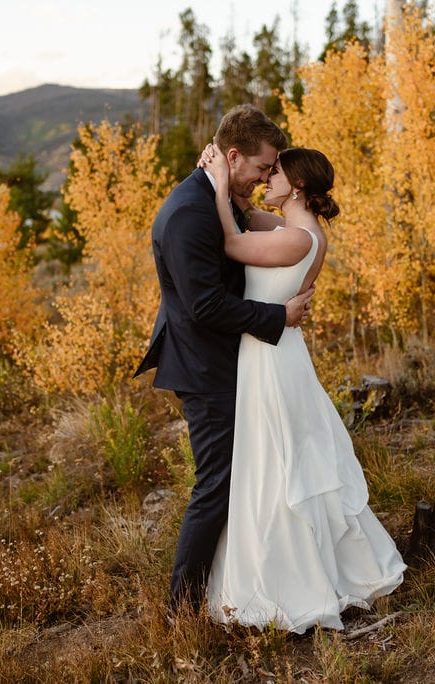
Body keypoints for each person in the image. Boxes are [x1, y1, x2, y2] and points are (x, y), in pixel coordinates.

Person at [200, 143, 406, 633]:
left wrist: (218, 184)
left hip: (272, 361)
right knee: (273, 461)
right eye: (267, 170)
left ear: (299, 184)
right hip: (271, 352)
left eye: (276, 172)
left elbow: (232, 242)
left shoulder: (300, 239)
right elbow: (249, 218)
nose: (268, 177)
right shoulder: (295, 228)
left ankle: (292, 582)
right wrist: (233, 186)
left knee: (278, 465)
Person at [133, 105, 314, 613]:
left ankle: (234, 585)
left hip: (225, 360)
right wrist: (278, 317)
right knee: (215, 484)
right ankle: (182, 609)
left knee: (236, 477)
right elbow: (203, 304)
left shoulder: (216, 197)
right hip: (204, 366)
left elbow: (249, 234)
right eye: (261, 167)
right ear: (232, 157)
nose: (264, 178)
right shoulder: (190, 212)